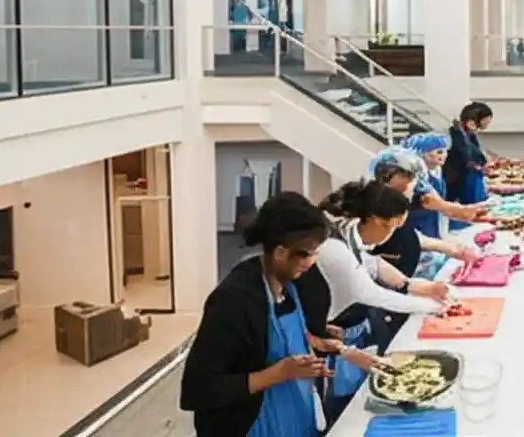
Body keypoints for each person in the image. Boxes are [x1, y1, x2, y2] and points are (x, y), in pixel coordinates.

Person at [296, 177, 449, 422]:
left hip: (337, 328)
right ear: (378, 220)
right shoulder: (334, 248)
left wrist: (417, 286)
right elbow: (370, 293)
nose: (392, 235)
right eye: (393, 227)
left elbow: (373, 264)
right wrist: (432, 307)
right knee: (335, 409)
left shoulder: (349, 232)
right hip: (321, 331)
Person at [181, 193, 332, 437]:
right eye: (306, 254)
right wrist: (278, 373)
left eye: (316, 253)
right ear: (280, 252)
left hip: (293, 418)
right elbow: (199, 390)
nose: (311, 262)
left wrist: (313, 342)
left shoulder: (293, 283)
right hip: (249, 425)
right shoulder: (234, 300)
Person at [445, 101, 493, 229]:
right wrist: (480, 166)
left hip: (465, 179)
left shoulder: (469, 134)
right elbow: (464, 157)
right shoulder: (455, 136)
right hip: (456, 181)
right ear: (472, 122)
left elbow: (478, 155)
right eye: (485, 122)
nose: (487, 125)